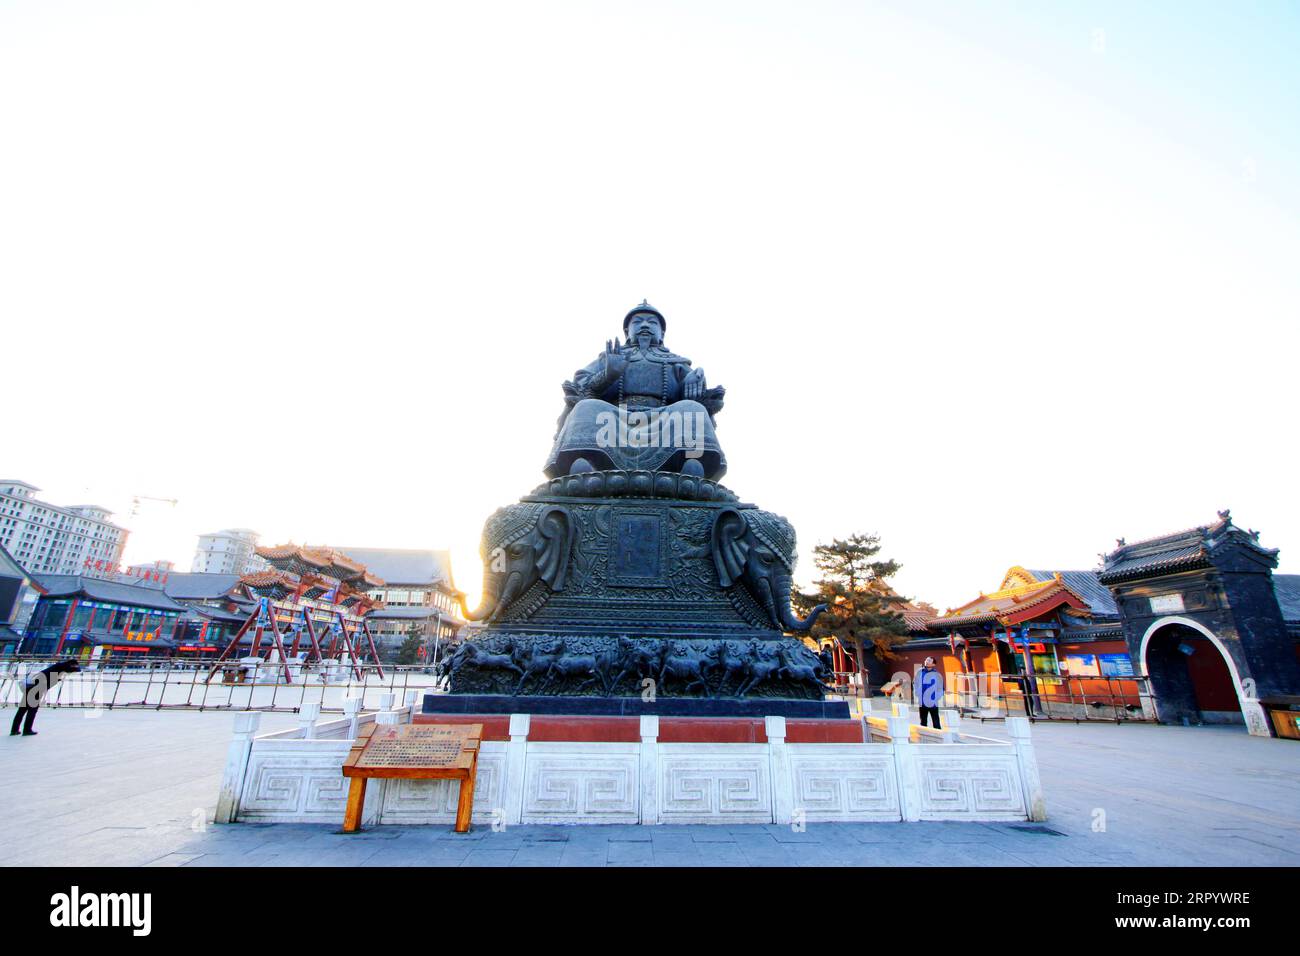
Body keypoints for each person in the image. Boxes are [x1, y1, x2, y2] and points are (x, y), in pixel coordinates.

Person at [10, 659, 81, 737]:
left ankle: (14, 730)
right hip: (36, 689)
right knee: (32, 710)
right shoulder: (60, 668)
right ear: (71, 665)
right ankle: (27, 730)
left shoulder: (57, 668)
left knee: (22, 709)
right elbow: (46, 683)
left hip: (30, 687)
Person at [913, 656, 944, 729]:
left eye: (929, 660)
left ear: (933, 664)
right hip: (922, 701)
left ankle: (938, 737)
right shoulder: (919, 672)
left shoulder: (937, 675)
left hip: (933, 702)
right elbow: (915, 683)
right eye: (926, 659)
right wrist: (917, 693)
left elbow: (941, 689)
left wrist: (936, 698)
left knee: (936, 722)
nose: (927, 661)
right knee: (923, 722)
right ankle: (923, 739)